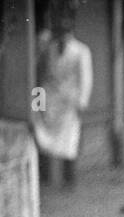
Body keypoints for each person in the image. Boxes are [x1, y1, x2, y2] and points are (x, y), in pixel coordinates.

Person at [33, 15, 93, 187]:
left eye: (65, 33)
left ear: (71, 33)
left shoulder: (81, 50)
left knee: (70, 140)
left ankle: (69, 179)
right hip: (50, 99)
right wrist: (37, 103)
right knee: (43, 136)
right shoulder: (48, 48)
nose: (61, 37)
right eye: (58, 33)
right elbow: (41, 74)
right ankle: (45, 176)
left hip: (69, 102)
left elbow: (85, 78)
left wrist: (82, 102)